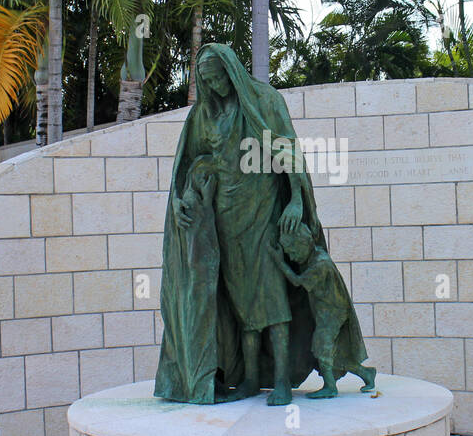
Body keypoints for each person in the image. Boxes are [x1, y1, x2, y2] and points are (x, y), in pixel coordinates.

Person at [154, 43, 368, 406]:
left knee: (272, 298)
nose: (215, 86)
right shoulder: (203, 115)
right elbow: (185, 162)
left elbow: (288, 151)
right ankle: (250, 378)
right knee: (241, 305)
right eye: (207, 80)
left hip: (265, 212)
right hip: (224, 222)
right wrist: (178, 200)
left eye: (219, 77)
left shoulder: (263, 100)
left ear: (232, 70)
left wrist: (297, 201)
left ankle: (282, 381)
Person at [269, 224, 375, 398]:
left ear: (303, 244)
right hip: (325, 311)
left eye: (293, 252)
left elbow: (297, 281)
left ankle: (330, 387)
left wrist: (279, 261)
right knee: (335, 351)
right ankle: (367, 374)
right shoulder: (313, 257)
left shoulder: (320, 263)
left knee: (321, 346)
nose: (293, 258)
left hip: (332, 312)